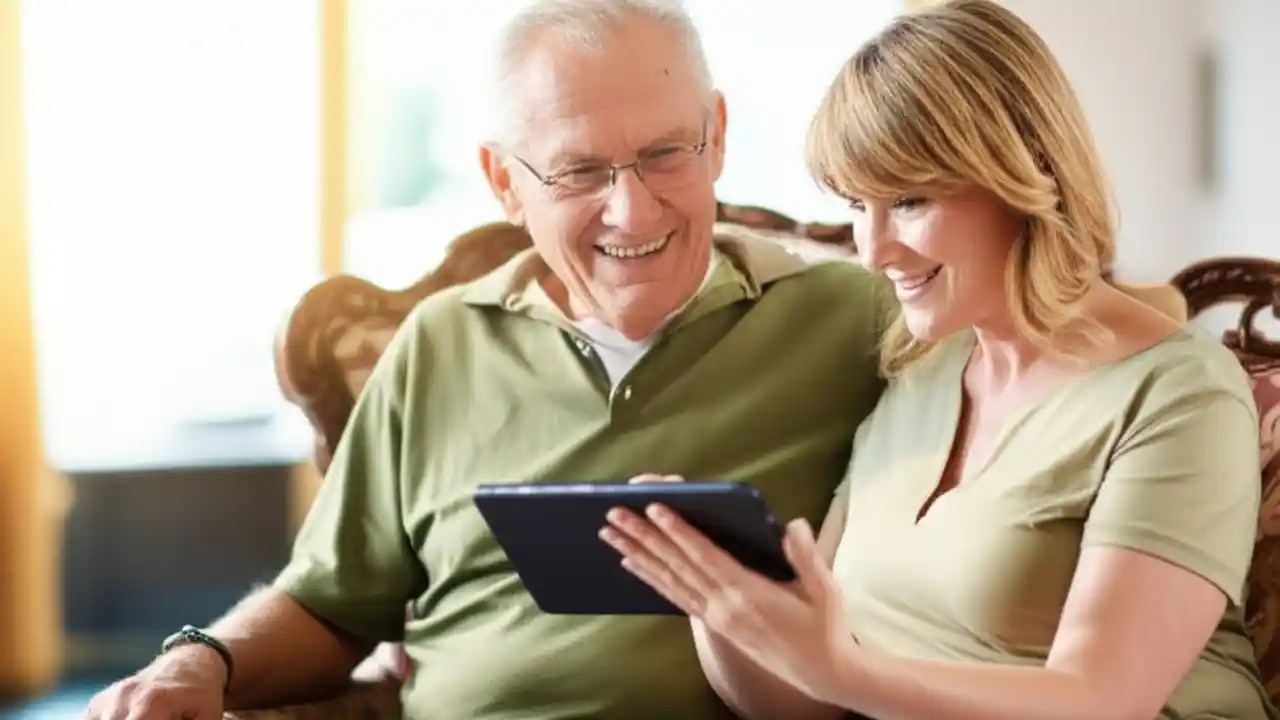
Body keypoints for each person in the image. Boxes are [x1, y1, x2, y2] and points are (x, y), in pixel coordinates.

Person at [84, 1, 894, 719]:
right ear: (505, 181)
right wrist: (199, 658)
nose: (630, 207)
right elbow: (331, 604)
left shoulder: (860, 318)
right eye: (578, 170)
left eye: (665, 154)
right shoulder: (439, 342)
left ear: (717, 137)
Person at [601, 1, 1277, 719]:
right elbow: (803, 704)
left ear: (1025, 175)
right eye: (858, 205)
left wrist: (842, 675)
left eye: (911, 200)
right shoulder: (923, 375)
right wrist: (715, 600)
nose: (873, 248)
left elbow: (1099, 700)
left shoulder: (1178, 392)